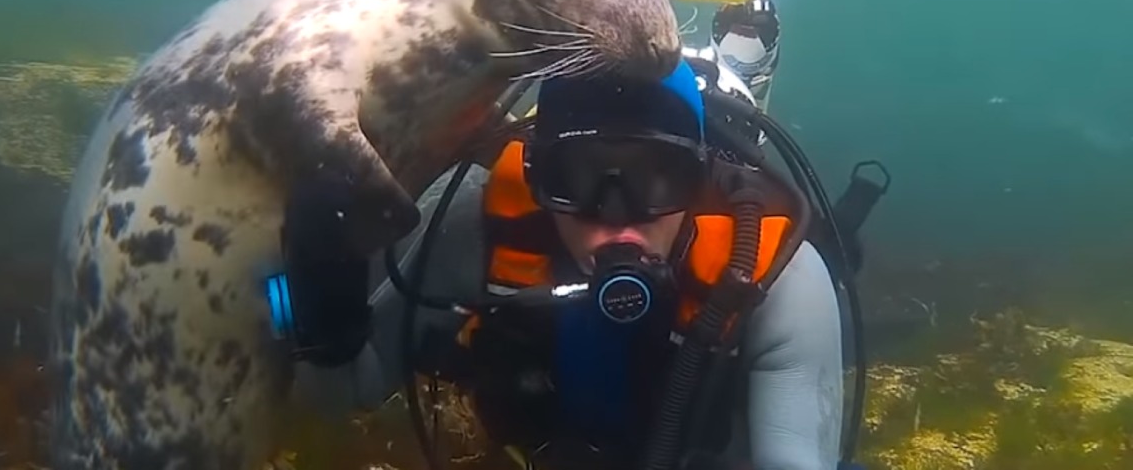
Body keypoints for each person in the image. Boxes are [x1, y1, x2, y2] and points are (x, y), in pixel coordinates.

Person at [271, 58, 879, 470]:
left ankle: (739, 57)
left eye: (658, 178)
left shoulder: (780, 280)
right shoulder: (470, 226)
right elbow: (341, 392)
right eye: (577, 178)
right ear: (535, 178)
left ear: (700, 182)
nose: (616, 218)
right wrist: (324, 303)